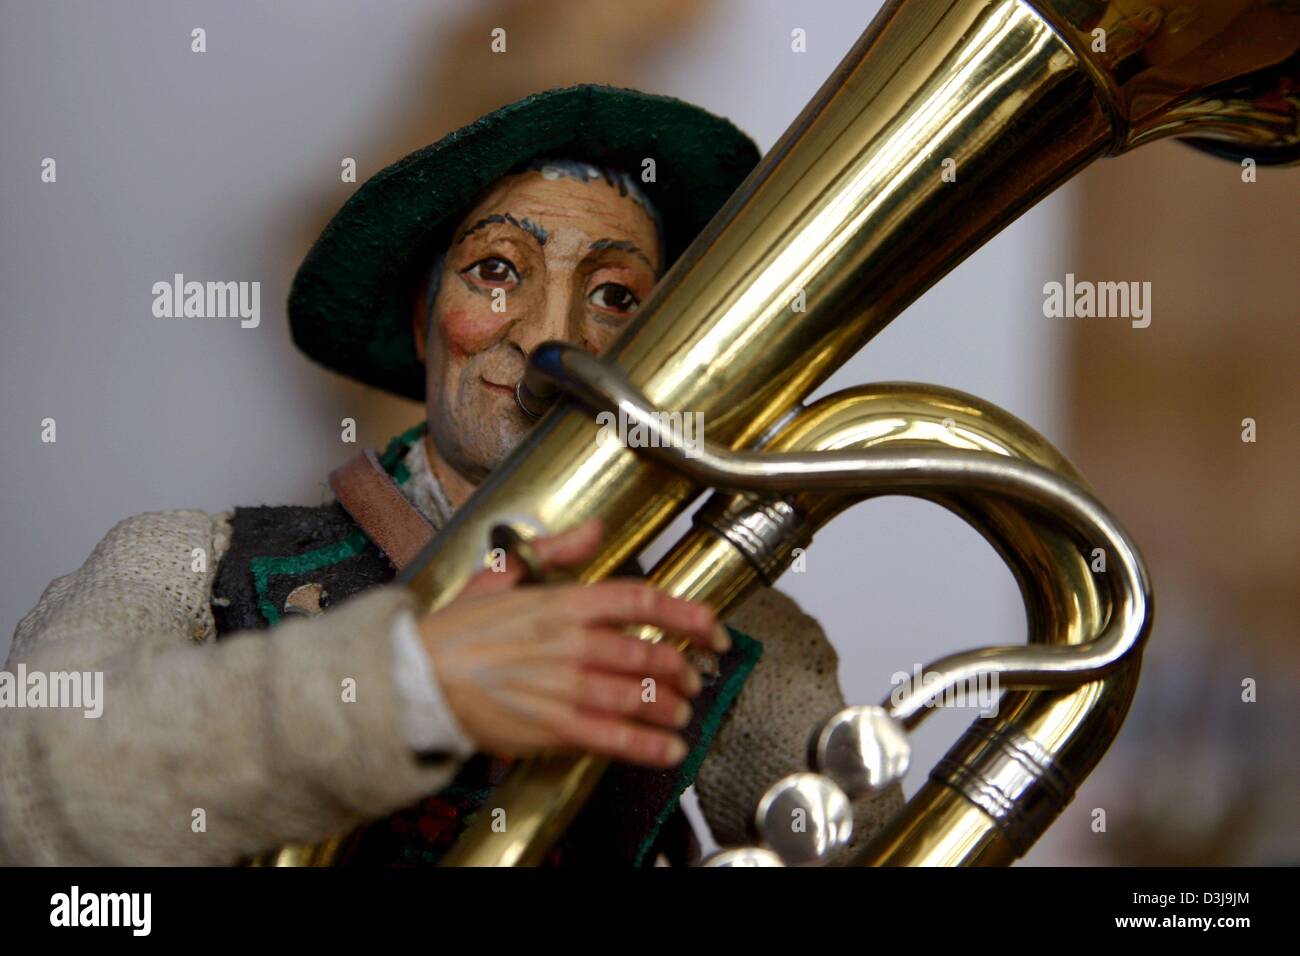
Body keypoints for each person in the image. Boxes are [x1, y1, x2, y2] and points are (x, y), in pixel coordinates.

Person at [1, 86, 901, 866]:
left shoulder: (726, 624)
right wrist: (405, 687)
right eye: (498, 271)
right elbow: (29, 789)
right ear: (424, 315)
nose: (552, 337)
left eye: (617, 296)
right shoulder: (185, 559)